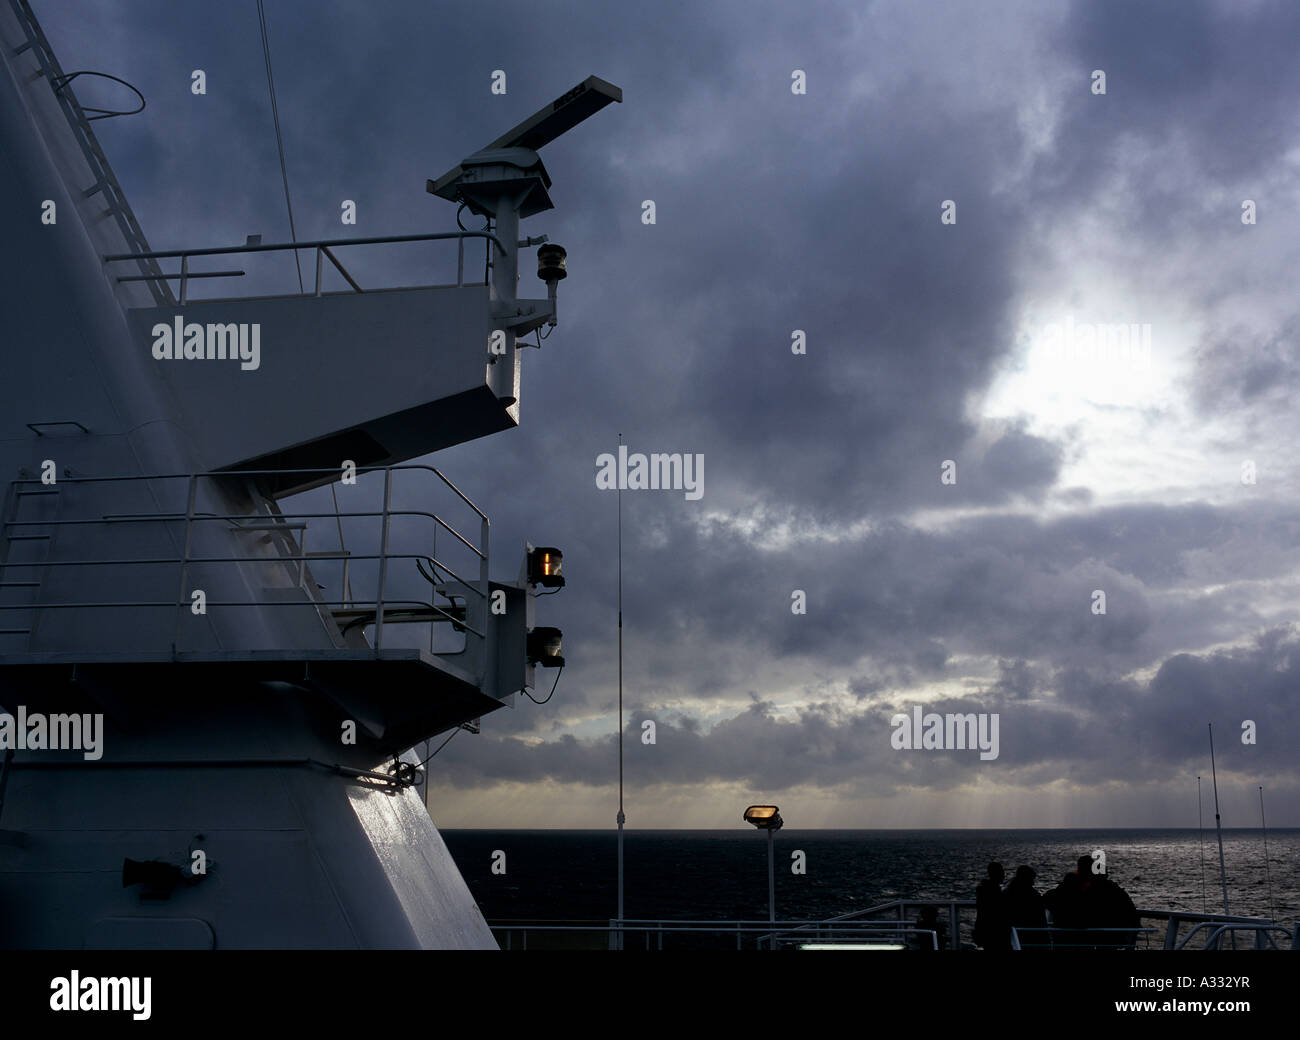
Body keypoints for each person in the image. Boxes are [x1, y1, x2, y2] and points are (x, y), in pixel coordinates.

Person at [1083, 869, 1141, 949]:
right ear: (1106, 875)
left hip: (1099, 936)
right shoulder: (1116, 890)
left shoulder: (1089, 891)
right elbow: (1132, 914)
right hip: (1117, 935)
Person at [1003, 865, 1047, 948]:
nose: (1033, 883)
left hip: (1013, 933)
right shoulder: (1034, 896)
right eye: (1032, 880)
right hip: (1030, 935)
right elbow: (1041, 919)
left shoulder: (1007, 892)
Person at [973, 862, 1010, 950]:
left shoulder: (983, 890)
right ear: (998, 874)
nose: (1003, 875)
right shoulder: (994, 892)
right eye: (1002, 872)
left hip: (985, 929)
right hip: (995, 931)